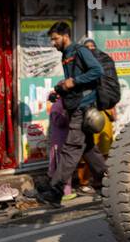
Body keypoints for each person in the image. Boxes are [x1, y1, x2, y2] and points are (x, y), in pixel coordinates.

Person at [33, 22, 106, 208]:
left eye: (55, 38)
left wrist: (74, 82)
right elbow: (71, 84)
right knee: (88, 149)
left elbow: (97, 71)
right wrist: (60, 91)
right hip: (75, 106)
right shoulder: (66, 55)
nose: (53, 43)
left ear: (65, 36)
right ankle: (110, 182)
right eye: (52, 39)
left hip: (83, 109)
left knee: (71, 148)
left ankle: (56, 191)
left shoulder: (80, 50)